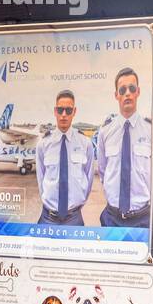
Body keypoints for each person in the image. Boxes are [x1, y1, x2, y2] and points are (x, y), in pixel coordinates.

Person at [96, 67, 153, 228]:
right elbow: (103, 170)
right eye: (122, 89)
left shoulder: (150, 130)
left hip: (142, 219)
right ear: (116, 95)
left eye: (132, 88)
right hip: (112, 219)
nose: (127, 93)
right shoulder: (105, 131)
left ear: (138, 92)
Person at [36, 89, 94, 225]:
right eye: (60, 110)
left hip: (74, 217)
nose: (64, 115)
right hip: (48, 218)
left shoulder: (85, 143)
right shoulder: (43, 144)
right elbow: (40, 179)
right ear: (55, 111)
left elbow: (89, 177)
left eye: (68, 110)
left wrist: (78, 205)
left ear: (74, 112)